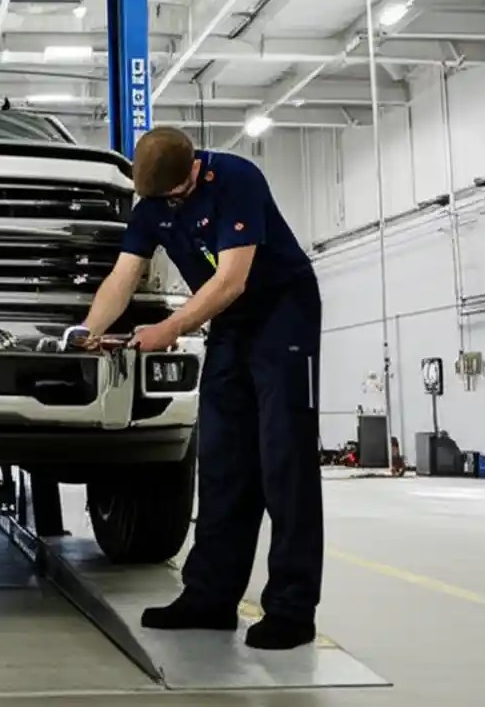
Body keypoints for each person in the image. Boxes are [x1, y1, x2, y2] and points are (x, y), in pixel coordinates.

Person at [76, 126, 324, 650]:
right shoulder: (152, 205)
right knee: (221, 461)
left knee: (284, 461)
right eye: (161, 200)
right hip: (230, 325)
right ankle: (210, 598)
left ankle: (292, 609)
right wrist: (88, 333)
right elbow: (123, 278)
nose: (171, 204)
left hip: (284, 314)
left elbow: (232, 279)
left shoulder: (236, 179)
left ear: (194, 169)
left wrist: (169, 330)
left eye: (178, 194)